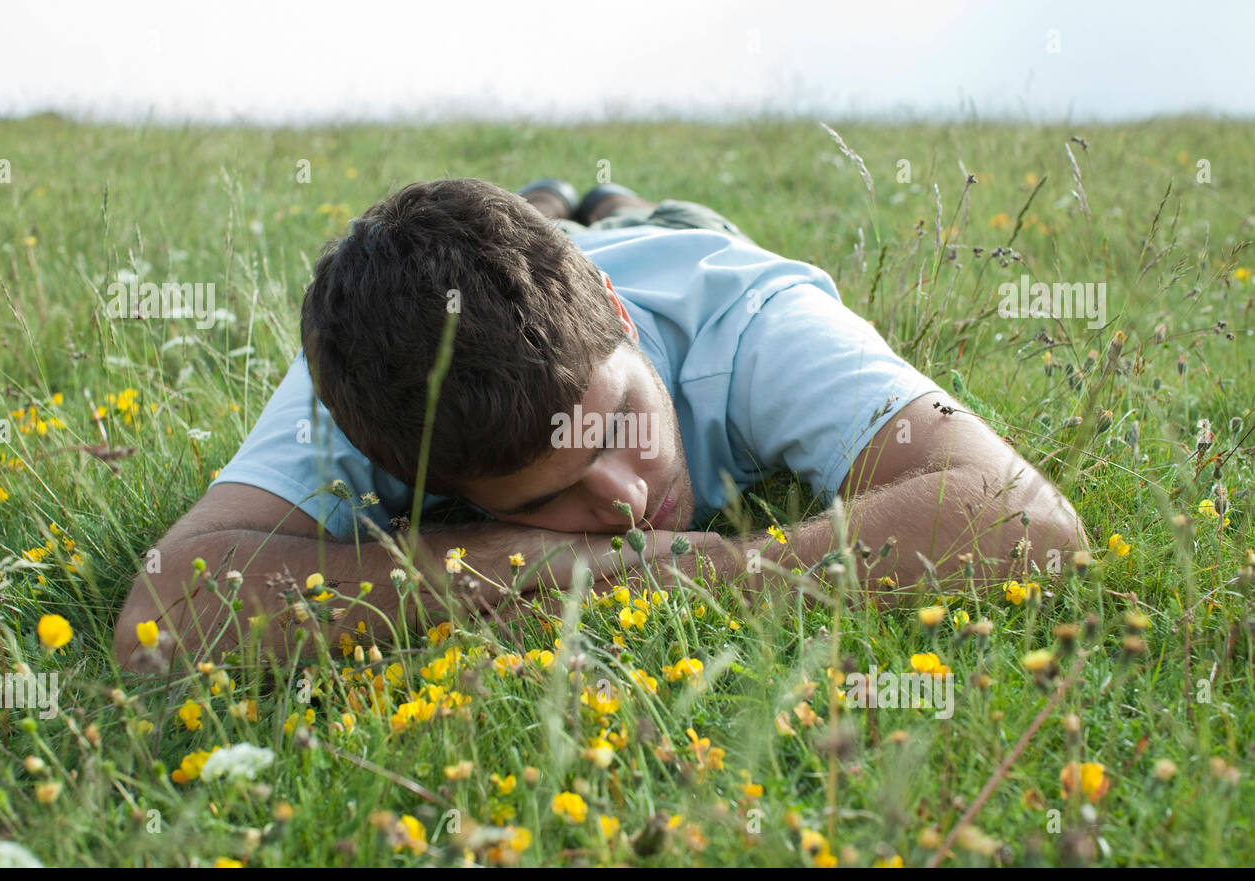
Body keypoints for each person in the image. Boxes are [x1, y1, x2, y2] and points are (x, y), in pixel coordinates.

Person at [114, 177, 1085, 672]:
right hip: (530, 292)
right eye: (552, 494)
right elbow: (160, 621)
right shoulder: (373, 387)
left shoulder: (752, 321)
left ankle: (611, 209)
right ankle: (541, 201)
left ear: (619, 318)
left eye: (618, 422)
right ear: (443, 488)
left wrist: (706, 570)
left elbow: (1024, 520)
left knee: (667, 215)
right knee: (522, 219)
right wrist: (518, 559)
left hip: (678, 252)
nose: (627, 499)